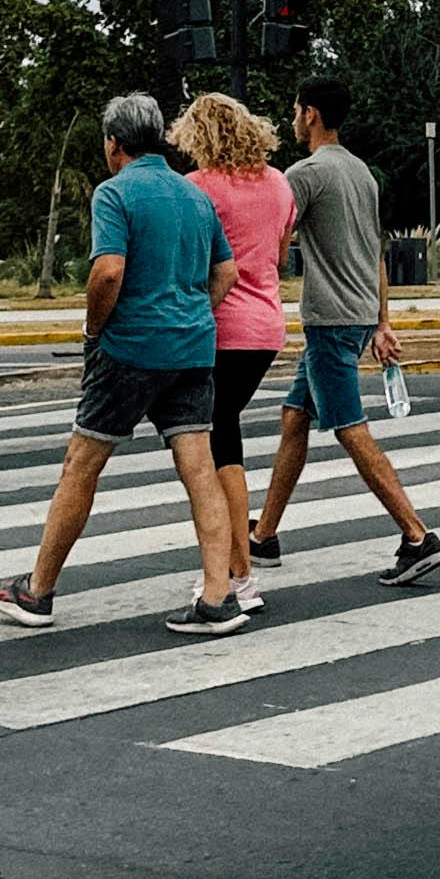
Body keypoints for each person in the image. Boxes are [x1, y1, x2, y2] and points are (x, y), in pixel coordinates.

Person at [0, 91, 247, 639]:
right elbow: (227, 273)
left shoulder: (115, 193)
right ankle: (218, 595)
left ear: (113, 144)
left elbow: (107, 274)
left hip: (129, 349)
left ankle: (38, 589)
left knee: (82, 462)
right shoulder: (194, 196)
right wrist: (192, 313)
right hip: (192, 348)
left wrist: (95, 327)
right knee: (199, 468)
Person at [248, 73, 440, 587]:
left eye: (296, 110)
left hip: (329, 320)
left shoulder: (306, 174)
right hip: (358, 315)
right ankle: (264, 535)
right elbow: (376, 250)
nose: (294, 118)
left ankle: (417, 536)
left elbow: (273, 243)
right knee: (295, 417)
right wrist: (382, 321)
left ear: (310, 114)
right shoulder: (362, 173)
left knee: (349, 427)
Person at [171, 88, 295, 618]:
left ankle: (238, 573)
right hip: (266, 326)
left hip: (219, 327)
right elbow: (282, 253)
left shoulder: (196, 188)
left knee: (218, 445)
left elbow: (189, 259)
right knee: (228, 436)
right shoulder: (280, 183)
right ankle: (237, 570)